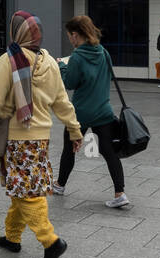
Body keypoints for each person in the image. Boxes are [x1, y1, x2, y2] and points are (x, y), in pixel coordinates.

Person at [0, 10, 82, 258]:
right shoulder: (50, 62)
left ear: (16, 33)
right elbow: (62, 102)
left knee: (26, 193)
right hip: (41, 139)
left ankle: (50, 241)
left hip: (18, 138)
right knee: (23, 187)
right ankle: (12, 237)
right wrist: (74, 130)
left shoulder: (7, 61)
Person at [52, 15, 129, 208]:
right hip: (103, 111)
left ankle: (60, 185)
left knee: (69, 149)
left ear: (76, 35)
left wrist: (61, 65)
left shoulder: (77, 56)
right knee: (109, 152)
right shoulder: (103, 52)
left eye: (70, 35)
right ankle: (120, 193)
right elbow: (108, 75)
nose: (70, 39)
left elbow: (70, 83)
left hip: (80, 114)